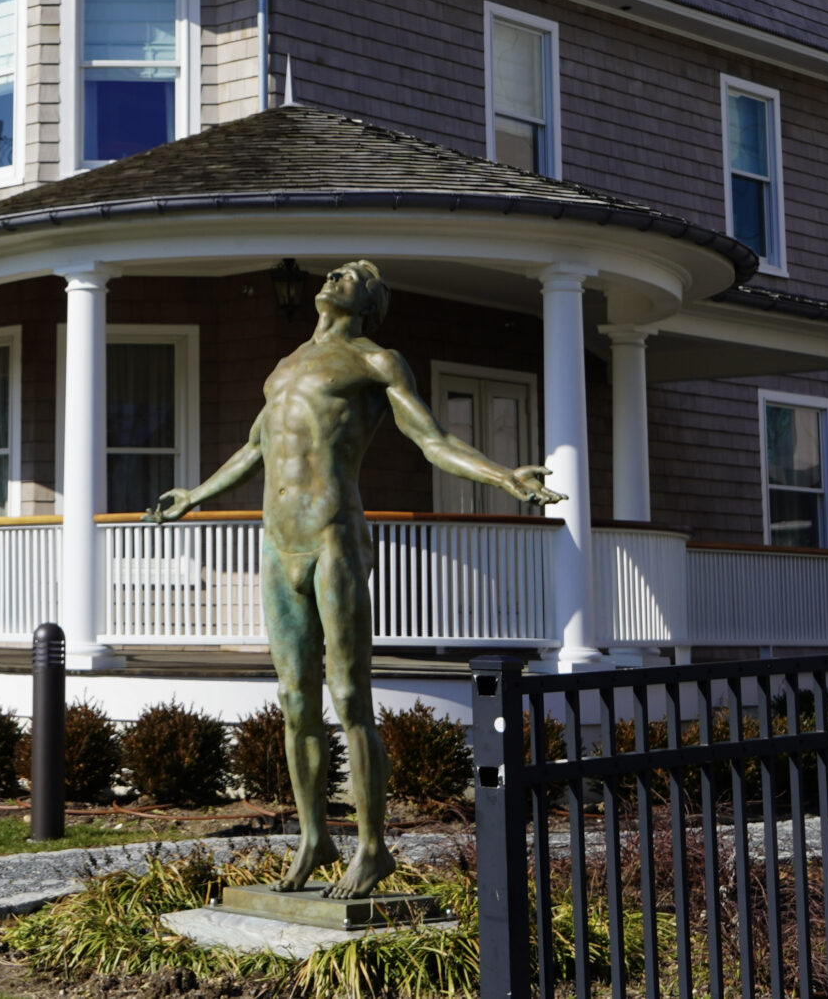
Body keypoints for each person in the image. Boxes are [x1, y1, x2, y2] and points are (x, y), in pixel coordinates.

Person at [145, 259, 562, 897]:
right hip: (277, 543)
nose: (337, 276)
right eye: (337, 271)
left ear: (370, 304)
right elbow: (257, 448)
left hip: (335, 538)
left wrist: (505, 477)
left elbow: (433, 440)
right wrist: (196, 494)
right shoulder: (285, 366)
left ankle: (372, 848)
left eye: (353, 276)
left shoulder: (376, 361)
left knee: (349, 696)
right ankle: (315, 835)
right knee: (295, 703)